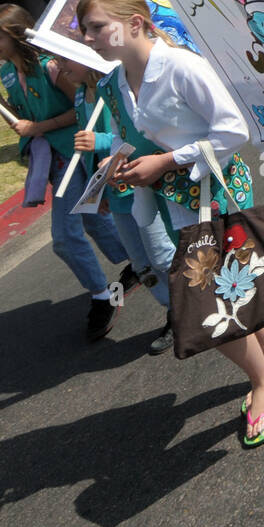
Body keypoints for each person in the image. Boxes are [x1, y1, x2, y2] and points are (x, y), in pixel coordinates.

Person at [77, 0, 264, 445]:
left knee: (208, 305)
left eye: (97, 27)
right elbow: (130, 137)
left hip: (214, 194)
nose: (88, 38)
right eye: (85, 29)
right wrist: (116, 160)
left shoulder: (181, 67)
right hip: (173, 201)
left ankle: (263, 381)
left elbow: (234, 130)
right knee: (231, 286)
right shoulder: (114, 84)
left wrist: (167, 161)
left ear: (134, 23)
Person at [0, 5, 130, 341]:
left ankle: (104, 295)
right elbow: (21, 125)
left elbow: (83, 109)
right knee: (92, 218)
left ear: (16, 35)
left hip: (77, 154)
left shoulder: (53, 67)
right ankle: (142, 263)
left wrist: (40, 125)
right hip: (52, 159)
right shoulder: (9, 73)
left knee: (65, 237)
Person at [68, 57, 178, 355]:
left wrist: (100, 141)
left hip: (137, 189)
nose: (59, 64)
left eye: (65, 57)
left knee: (162, 255)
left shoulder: (114, 90)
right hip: (114, 194)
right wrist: (98, 191)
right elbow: (91, 156)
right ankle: (173, 311)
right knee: (140, 262)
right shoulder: (81, 96)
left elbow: (131, 134)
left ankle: (191, 307)